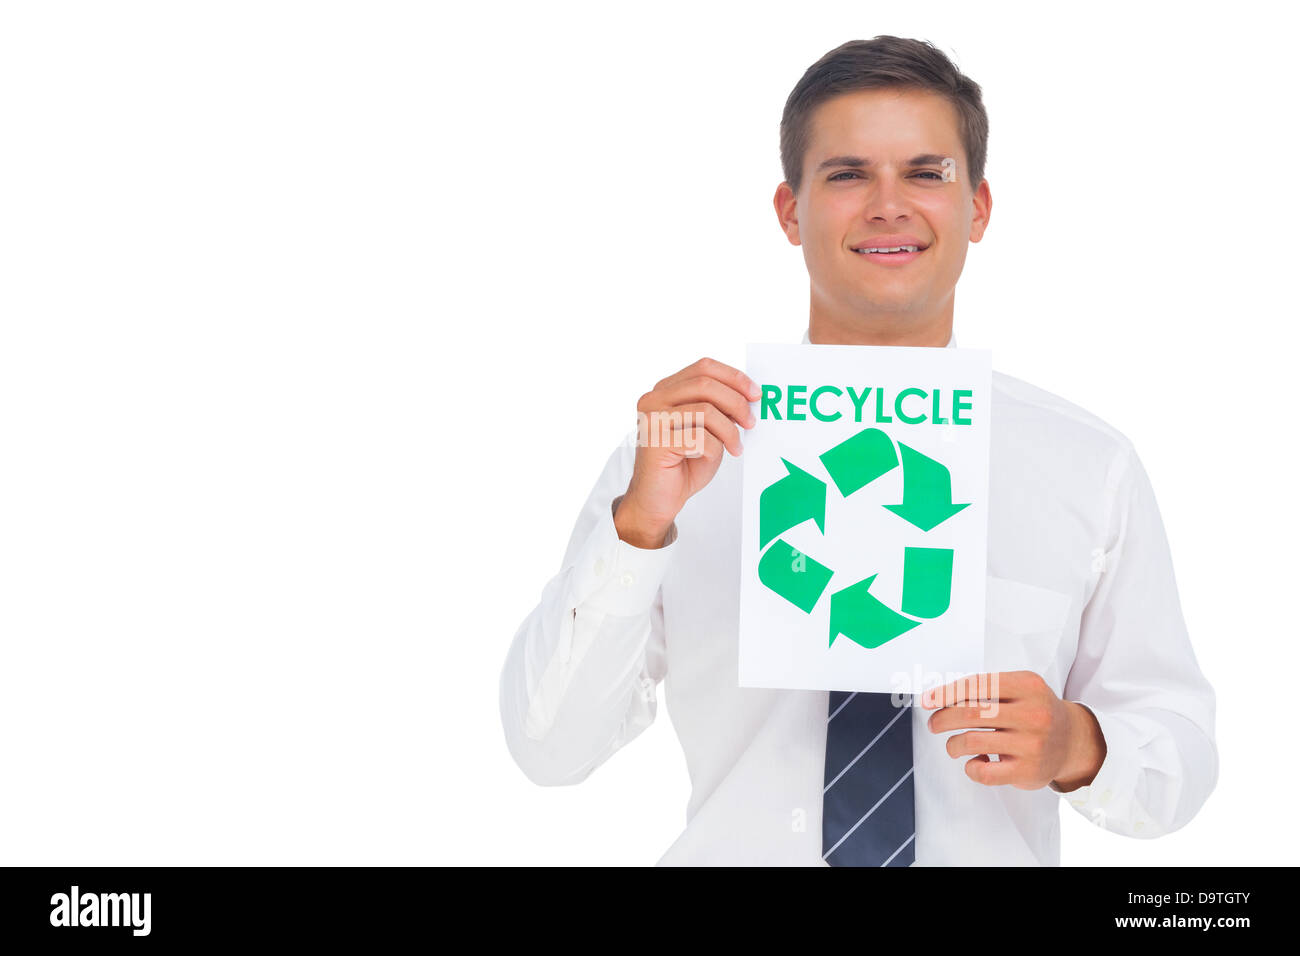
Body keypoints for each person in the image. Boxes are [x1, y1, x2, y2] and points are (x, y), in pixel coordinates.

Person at [497, 36, 1217, 865]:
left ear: (978, 208)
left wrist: (1078, 746)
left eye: (926, 173)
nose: (888, 205)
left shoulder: (1086, 467)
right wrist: (637, 530)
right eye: (847, 175)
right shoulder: (684, 451)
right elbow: (548, 749)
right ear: (789, 211)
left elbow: (1178, 755)